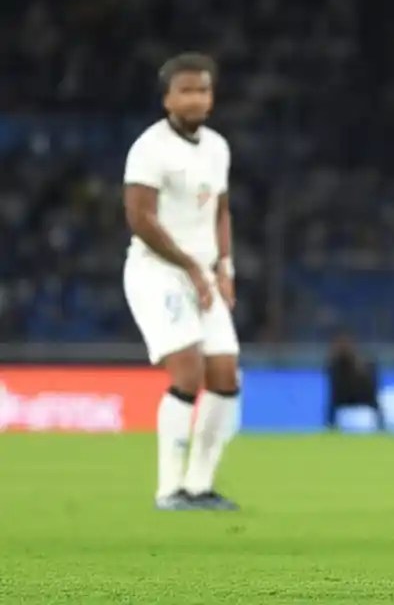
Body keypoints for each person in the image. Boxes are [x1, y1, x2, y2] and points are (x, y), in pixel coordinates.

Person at [123, 52, 241, 511]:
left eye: (204, 89)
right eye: (186, 89)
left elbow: (221, 211)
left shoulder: (217, 147)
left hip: (206, 275)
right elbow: (139, 217)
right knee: (189, 370)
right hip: (158, 270)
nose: (196, 97)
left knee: (226, 375)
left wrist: (225, 268)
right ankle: (169, 489)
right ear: (168, 97)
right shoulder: (149, 148)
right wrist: (191, 265)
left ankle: (199, 486)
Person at [326, 332, 386, 431]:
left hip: (361, 395)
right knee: (332, 404)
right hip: (343, 397)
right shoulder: (335, 364)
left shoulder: (360, 363)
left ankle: (382, 428)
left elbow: (370, 382)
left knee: (376, 405)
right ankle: (330, 428)